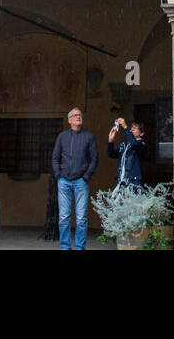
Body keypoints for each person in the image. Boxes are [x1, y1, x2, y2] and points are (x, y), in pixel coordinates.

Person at [51, 107, 97, 250]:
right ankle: (65, 247)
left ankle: (80, 247)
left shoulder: (88, 137)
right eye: (75, 115)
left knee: (81, 218)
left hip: (80, 182)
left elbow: (94, 159)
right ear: (69, 120)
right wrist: (58, 176)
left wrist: (86, 177)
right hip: (64, 181)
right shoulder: (62, 136)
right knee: (64, 217)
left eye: (80, 115)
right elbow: (55, 158)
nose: (78, 117)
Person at [107, 117, 146, 189]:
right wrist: (110, 141)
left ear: (142, 133)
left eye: (135, 128)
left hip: (133, 182)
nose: (132, 129)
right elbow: (111, 154)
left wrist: (125, 126)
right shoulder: (125, 145)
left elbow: (134, 143)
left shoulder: (141, 143)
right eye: (132, 127)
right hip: (121, 182)